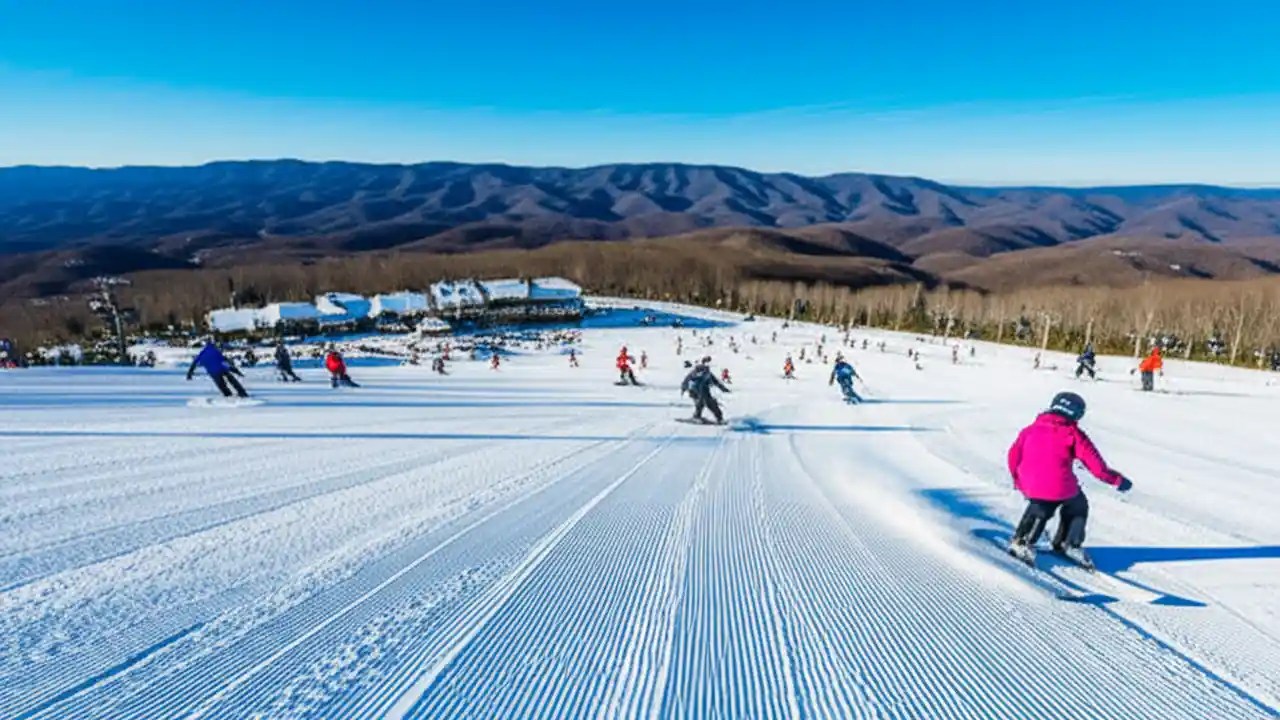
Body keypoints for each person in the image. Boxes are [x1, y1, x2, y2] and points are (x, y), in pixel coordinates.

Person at [1006, 392, 1131, 568]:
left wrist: (1018, 479)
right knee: (1077, 504)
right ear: (1077, 413)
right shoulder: (1074, 434)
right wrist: (1118, 480)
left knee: (1040, 505)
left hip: (1028, 483)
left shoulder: (1029, 430)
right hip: (1059, 486)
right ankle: (1069, 543)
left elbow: (1013, 456)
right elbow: (1097, 468)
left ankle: (1022, 539)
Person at [681, 356, 730, 424]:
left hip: (703, 390)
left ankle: (718, 418)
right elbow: (687, 380)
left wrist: (723, 388)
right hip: (695, 390)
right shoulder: (697, 371)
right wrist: (684, 388)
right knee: (704, 403)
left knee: (709, 403)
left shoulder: (707, 372)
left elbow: (715, 381)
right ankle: (698, 416)